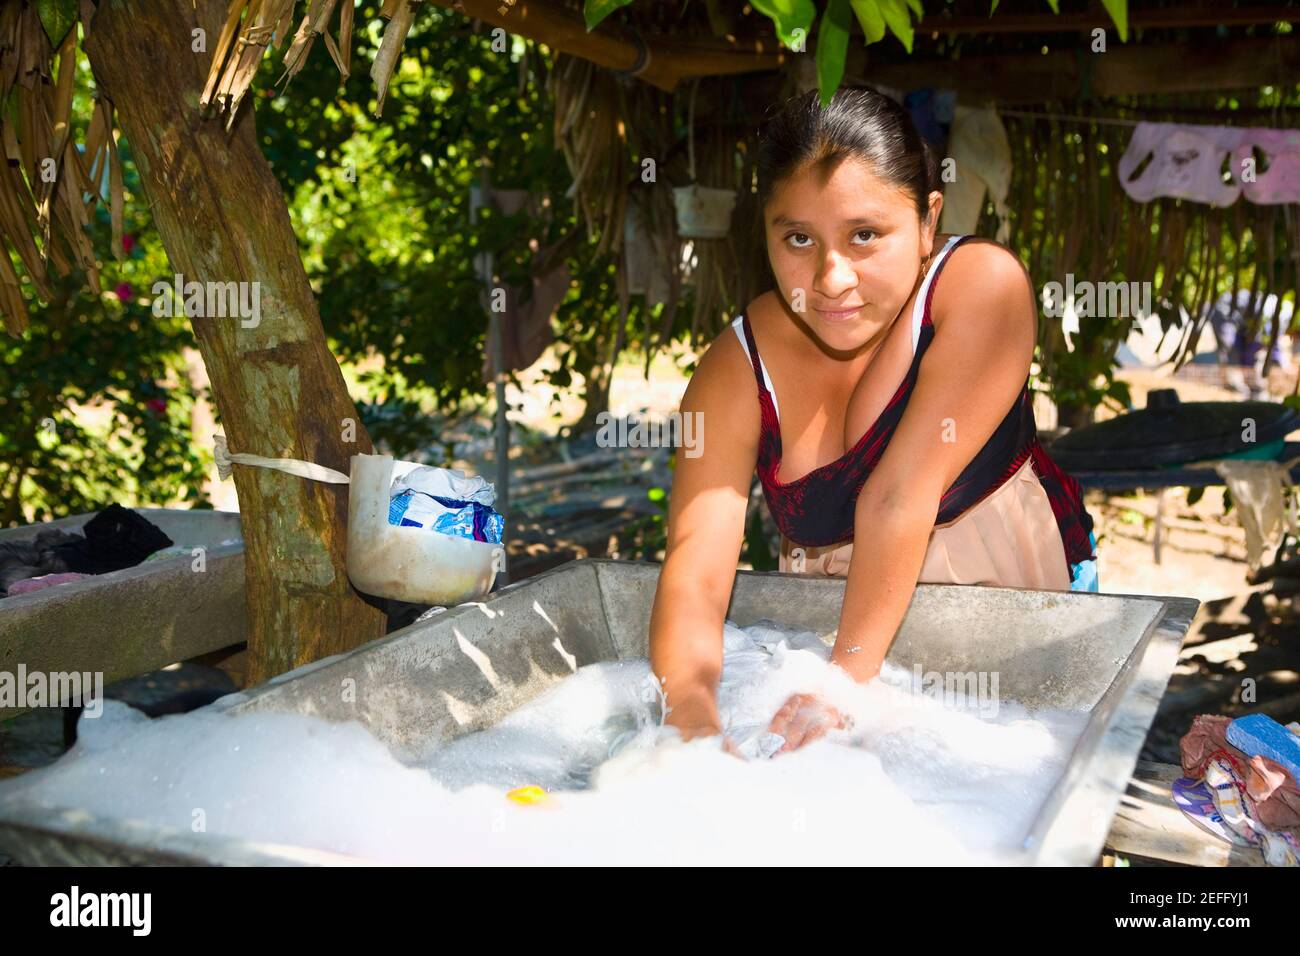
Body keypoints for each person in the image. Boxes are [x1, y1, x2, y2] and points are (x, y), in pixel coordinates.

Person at [646, 85, 1098, 757]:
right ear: (765, 232)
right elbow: (696, 564)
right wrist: (690, 716)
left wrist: (842, 687)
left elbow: (898, 496)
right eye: (799, 238)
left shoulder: (979, 287)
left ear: (925, 221)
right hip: (823, 654)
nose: (832, 278)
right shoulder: (737, 366)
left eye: (865, 236)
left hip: (1006, 655)